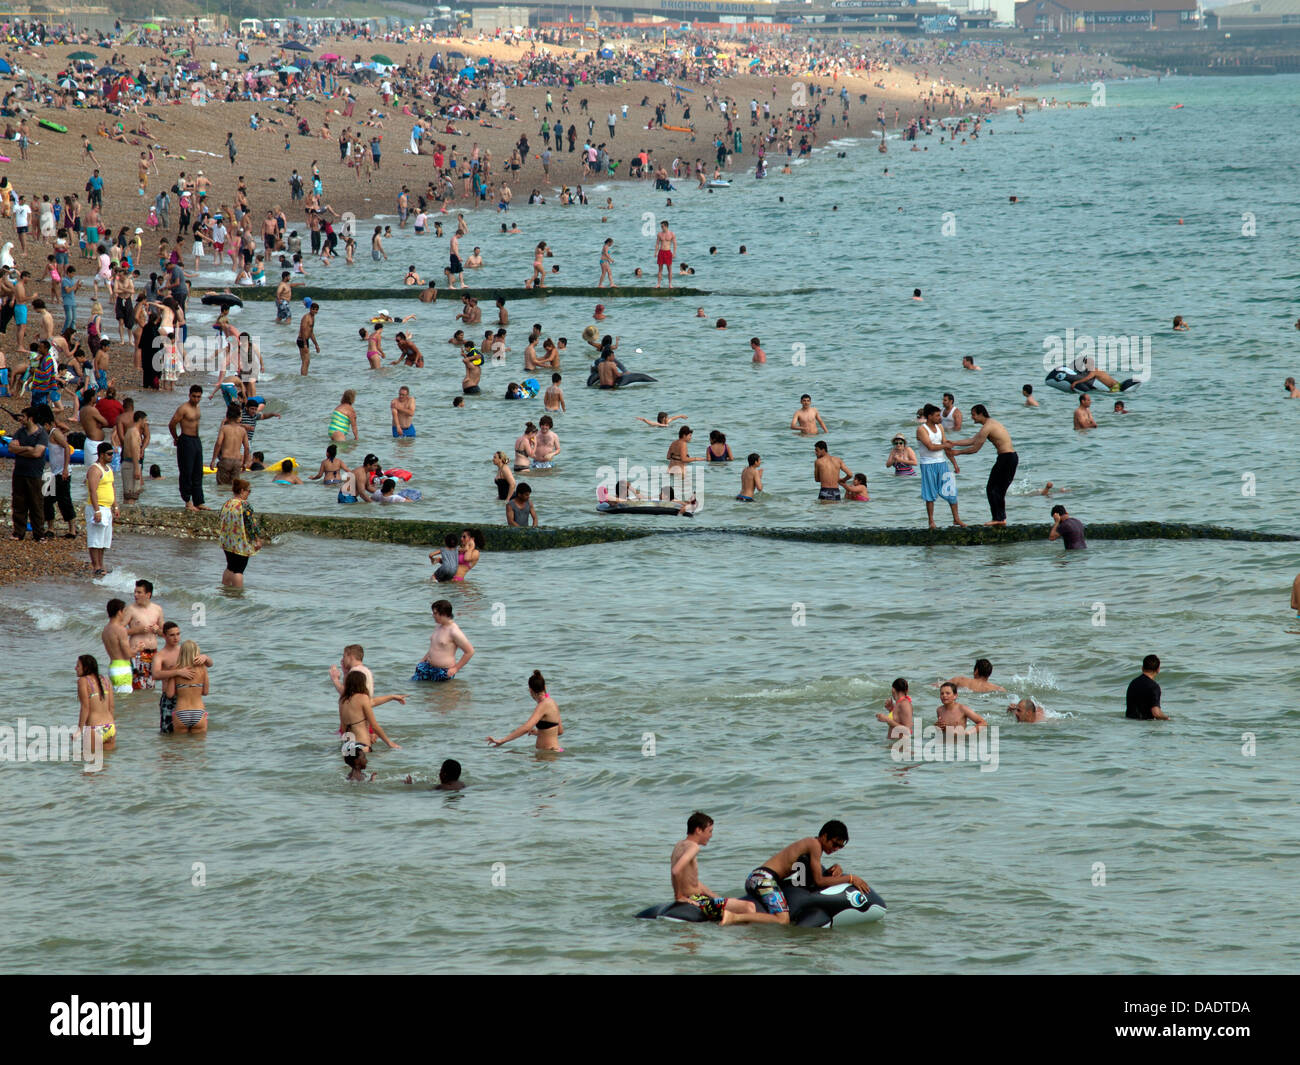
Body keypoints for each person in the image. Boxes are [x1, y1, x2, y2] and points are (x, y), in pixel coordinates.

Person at [746, 821, 872, 923]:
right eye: (834, 844)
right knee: (783, 920)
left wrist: (835, 868)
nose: (836, 849)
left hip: (757, 878)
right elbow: (819, 881)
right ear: (824, 836)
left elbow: (807, 875)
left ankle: (725, 905)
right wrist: (850, 878)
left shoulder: (810, 845)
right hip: (765, 880)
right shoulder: (814, 845)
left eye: (840, 847)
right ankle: (735, 918)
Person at [668, 812, 774, 926]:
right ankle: (742, 939)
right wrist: (679, 897)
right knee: (749, 907)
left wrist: (714, 896)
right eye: (709, 831)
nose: (711, 835)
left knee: (735, 902)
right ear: (698, 830)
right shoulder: (693, 847)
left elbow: (691, 880)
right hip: (697, 900)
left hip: (697, 897)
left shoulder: (679, 845)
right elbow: (676, 870)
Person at [947, 405, 1018, 526]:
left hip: (1007, 458)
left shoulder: (988, 426)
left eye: (973, 414)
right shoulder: (989, 424)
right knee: (993, 489)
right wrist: (953, 443)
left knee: (995, 489)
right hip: (1007, 458)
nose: (972, 417)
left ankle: (999, 519)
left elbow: (975, 448)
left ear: (981, 414)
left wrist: (957, 452)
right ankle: (999, 518)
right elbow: (973, 439)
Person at [153, 621, 213, 733]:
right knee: (167, 734)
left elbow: (209, 665)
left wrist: (205, 657)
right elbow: (156, 674)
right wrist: (177, 672)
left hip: (187, 698)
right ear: (164, 636)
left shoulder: (185, 650)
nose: (176, 637)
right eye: (172, 635)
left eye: (178, 634)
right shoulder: (160, 656)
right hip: (170, 699)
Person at [338, 669, 404, 763]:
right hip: (362, 746)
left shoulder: (342, 701)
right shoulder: (362, 698)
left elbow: (343, 728)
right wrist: (390, 743)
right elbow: (374, 726)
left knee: (353, 774)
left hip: (347, 747)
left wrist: (392, 697)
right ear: (362, 683)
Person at [487, 670, 564, 751]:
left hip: (547, 754)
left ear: (530, 690)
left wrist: (502, 740)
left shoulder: (543, 705)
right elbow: (560, 731)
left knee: (510, 754)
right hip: (554, 751)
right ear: (545, 687)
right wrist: (539, 733)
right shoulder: (552, 702)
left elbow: (526, 728)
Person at [917, 404, 963, 528]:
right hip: (927, 464)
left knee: (951, 490)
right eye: (937, 415)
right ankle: (931, 521)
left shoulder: (940, 427)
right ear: (929, 416)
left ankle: (956, 519)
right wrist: (945, 446)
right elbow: (931, 447)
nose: (940, 417)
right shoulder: (922, 429)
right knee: (930, 494)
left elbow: (946, 447)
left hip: (941, 463)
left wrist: (954, 463)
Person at [9, 405, 50, 542]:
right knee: (18, 503)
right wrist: (27, 448)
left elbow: (37, 452)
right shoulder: (20, 432)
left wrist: (21, 449)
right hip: (19, 472)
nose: (21, 419)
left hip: (35, 474)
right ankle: (18, 532)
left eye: (24, 417)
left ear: (30, 418)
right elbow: (11, 448)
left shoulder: (41, 434)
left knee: (36, 504)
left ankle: (39, 534)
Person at [412, 600, 474, 682]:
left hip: (443, 672)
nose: (433, 615)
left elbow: (470, 652)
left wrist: (455, 668)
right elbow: (435, 647)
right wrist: (422, 661)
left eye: (435, 613)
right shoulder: (438, 626)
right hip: (426, 667)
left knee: (441, 694)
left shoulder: (454, 631)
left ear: (444, 614)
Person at [218, 478, 264, 588]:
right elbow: (251, 525)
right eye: (249, 491)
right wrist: (257, 539)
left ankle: (225, 590)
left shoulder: (227, 503)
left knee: (230, 567)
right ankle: (237, 595)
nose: (249, 494)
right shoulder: (245, 505)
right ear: (242, 490)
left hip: (227, 541)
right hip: (240, 543)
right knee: (239, 570)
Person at [169, 385, 208, 511]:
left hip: (196, 440)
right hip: (186, 439)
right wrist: (176, 438)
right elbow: (172, 424)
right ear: (189, 395)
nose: (196, 399)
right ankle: (188, 501)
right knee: (187, 471)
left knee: (198, 471)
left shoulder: (198, 408)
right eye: (194, 396)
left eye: (199, 397)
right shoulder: (183, 408)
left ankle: (199, 501)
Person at [84, 442, 118, 576]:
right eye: (109, 454)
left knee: (104, 540)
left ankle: (101, 564)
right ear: (101, 455)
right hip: (97, 507)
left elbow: (112, 488)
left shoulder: (108, 469)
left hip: (107, 508)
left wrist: (115, 505)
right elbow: (93, 490)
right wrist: (96, 510)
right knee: (95, 539)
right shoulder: (95, 469)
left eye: (112, 454)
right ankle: (96, 566)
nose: (111, 456)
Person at [125, 579, 164, 691]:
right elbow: (119, 631)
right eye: (135, 592)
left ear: (148, 594)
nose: (135, 595)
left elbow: (165, 633)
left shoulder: (158, 609)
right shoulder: (130, 609)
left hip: (153, 654)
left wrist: (158, 631)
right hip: (137, 654)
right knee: (137, 688)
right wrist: (138, 630)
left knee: (150, 689)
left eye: (139, 592)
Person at [75, 654, 116, 758]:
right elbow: (111, 706)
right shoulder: (106, 680)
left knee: (89, 768)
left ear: (86, 668)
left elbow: (85, 707)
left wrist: (79, 729)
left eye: (78, 666)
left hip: (95, 728)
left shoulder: (83, 681)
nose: (75, 668)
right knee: (105, 767)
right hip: (110, 727)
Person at [169, 640, 210, 733]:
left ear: (182, 653)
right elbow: (205, 692)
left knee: (181, 745)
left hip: (181, 712)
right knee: (198, 746)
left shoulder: (175, 669)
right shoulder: (203, 669)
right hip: (198, 711)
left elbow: (170, 694)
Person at [101, 598, 134, 695]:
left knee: (119, 699)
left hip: (113, 666)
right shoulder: (121, 630)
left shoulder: (105, 630)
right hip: (122, 668)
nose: (124, 614)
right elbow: (128, 653)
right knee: (125, 700)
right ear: (119, 612)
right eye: (124, 611)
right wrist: (137, 649)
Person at [1126, 654, 1169, 720]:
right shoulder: (1154, 687)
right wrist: (1167, 719)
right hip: (1145, 725)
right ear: (1158, 670)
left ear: (1142, 668)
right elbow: (1156, 713)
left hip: (1130, 723)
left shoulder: (1133, 683)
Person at [297, 300, 320, 375]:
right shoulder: (306, 317)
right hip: (301, 340)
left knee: (307, 361)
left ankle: (304, 377)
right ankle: (303, 378)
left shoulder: (313, 318)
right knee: (305, 361)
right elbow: (303, 330)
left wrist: (316, 345)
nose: (315, 311)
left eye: (316, 310)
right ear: (310, 309)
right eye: (313, 309)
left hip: (306, 340)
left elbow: (311, 333)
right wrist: (305, 344)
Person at [654, 219, 676, 288]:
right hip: (661, 252)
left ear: (666, 226)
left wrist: (674, 253)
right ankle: (658, 284)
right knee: (660, 269)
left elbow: (675, 244)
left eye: (662, 226)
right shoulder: (659, 234)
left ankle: (670, 284)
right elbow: (657, 244)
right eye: (661, 226)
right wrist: (655, 252)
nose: (661, 228)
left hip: (668, 252)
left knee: (669, 269)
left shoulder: (672, 234)